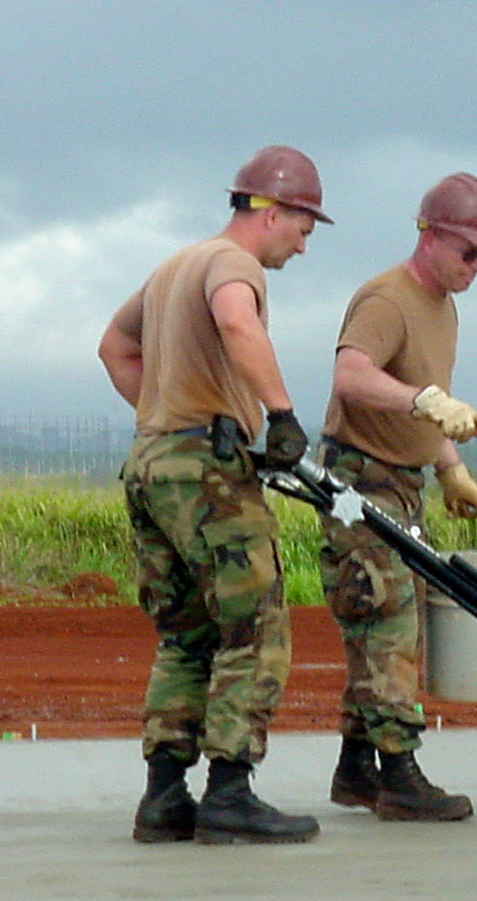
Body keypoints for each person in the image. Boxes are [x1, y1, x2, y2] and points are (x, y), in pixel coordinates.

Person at [97, 145, 330, 845]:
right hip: (204, 474)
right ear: (273, 210)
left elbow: (114, 346)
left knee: (184, 636)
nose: (304, 244)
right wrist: (281, 413)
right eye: (304, 227)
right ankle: (230, 791)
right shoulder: (234, 266)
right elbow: (236, 321)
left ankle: (164, 797)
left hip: (152, 463)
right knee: (253, 626)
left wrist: (165, 414)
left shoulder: (173, 268)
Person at [317, 172, 477, 821]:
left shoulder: (444, 307)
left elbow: (426, 403)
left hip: (403, 480)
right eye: (468, 252)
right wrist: (423, 401)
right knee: (388, 617)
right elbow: (352, 375)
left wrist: (449, 465)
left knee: (392, 615)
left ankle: (356, 766)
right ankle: (399, 774)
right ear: (430, 236)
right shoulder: (388, 300)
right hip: (357, 481)